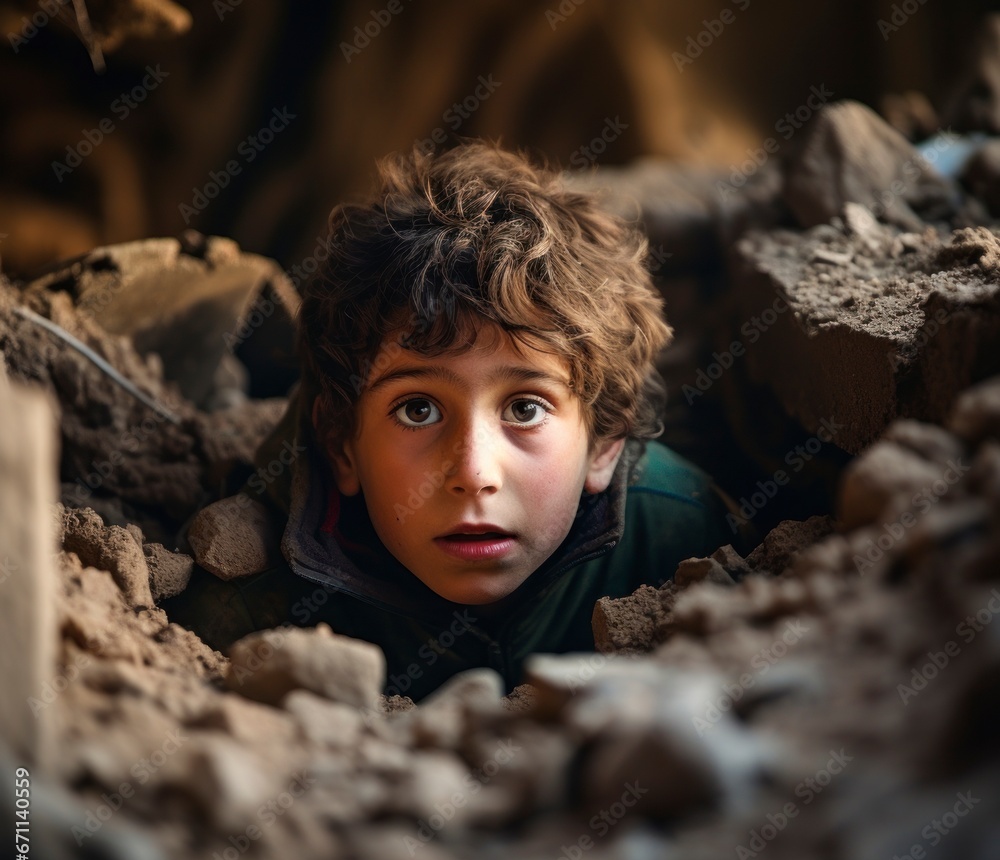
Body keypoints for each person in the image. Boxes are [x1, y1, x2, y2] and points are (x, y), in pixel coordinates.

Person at [167, 140, 734, 701]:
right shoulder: (251, 608)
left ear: (605, 441)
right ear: (341, 445)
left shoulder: (686, 540)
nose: (473, 472)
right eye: (419, 410)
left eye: (525, 408)